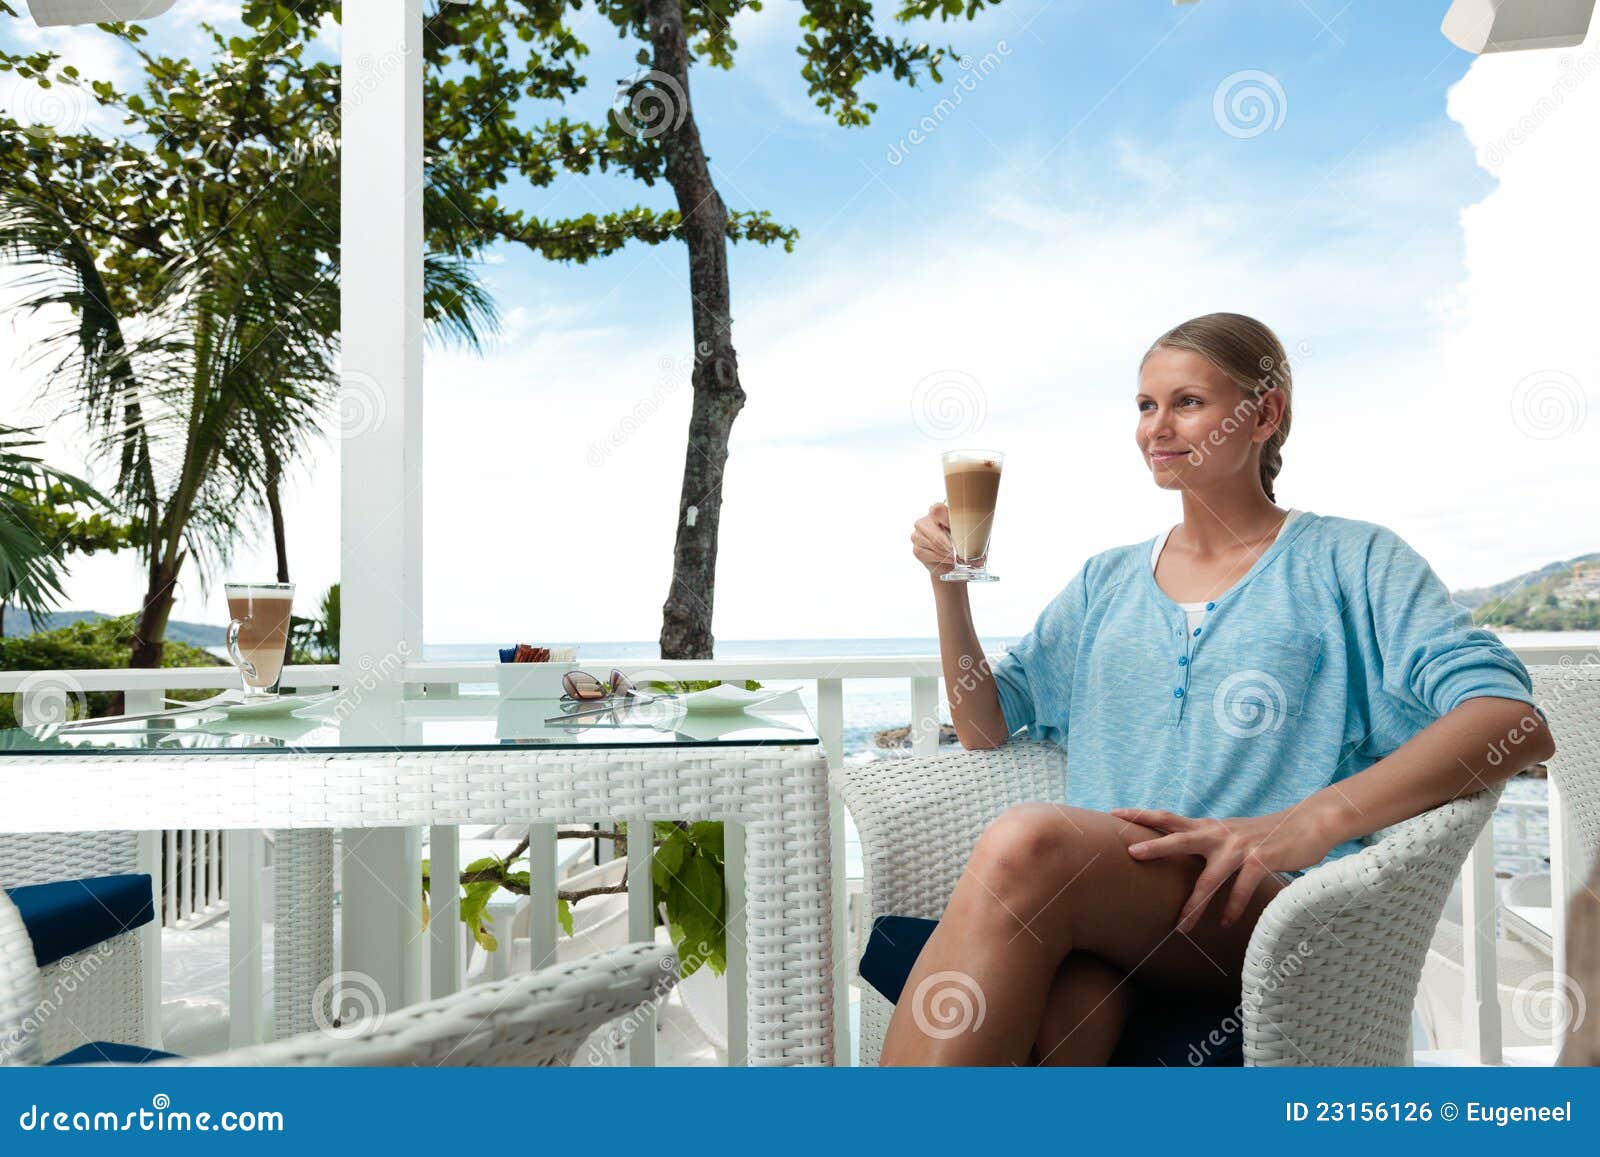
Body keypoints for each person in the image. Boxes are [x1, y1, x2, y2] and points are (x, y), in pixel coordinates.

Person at [890, 311, 1557, 1066]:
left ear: (1263, 414)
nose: (1157, 427)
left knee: (1028, 838)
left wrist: (1306, 821)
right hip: (1112, 904)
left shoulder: (1353, 559)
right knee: (1066, 1019)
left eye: (1187, 402)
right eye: (1145, 405)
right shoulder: (1104, 581)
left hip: (1263, 903)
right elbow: (984, 724)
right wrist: (949, 586)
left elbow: (1510, 718)